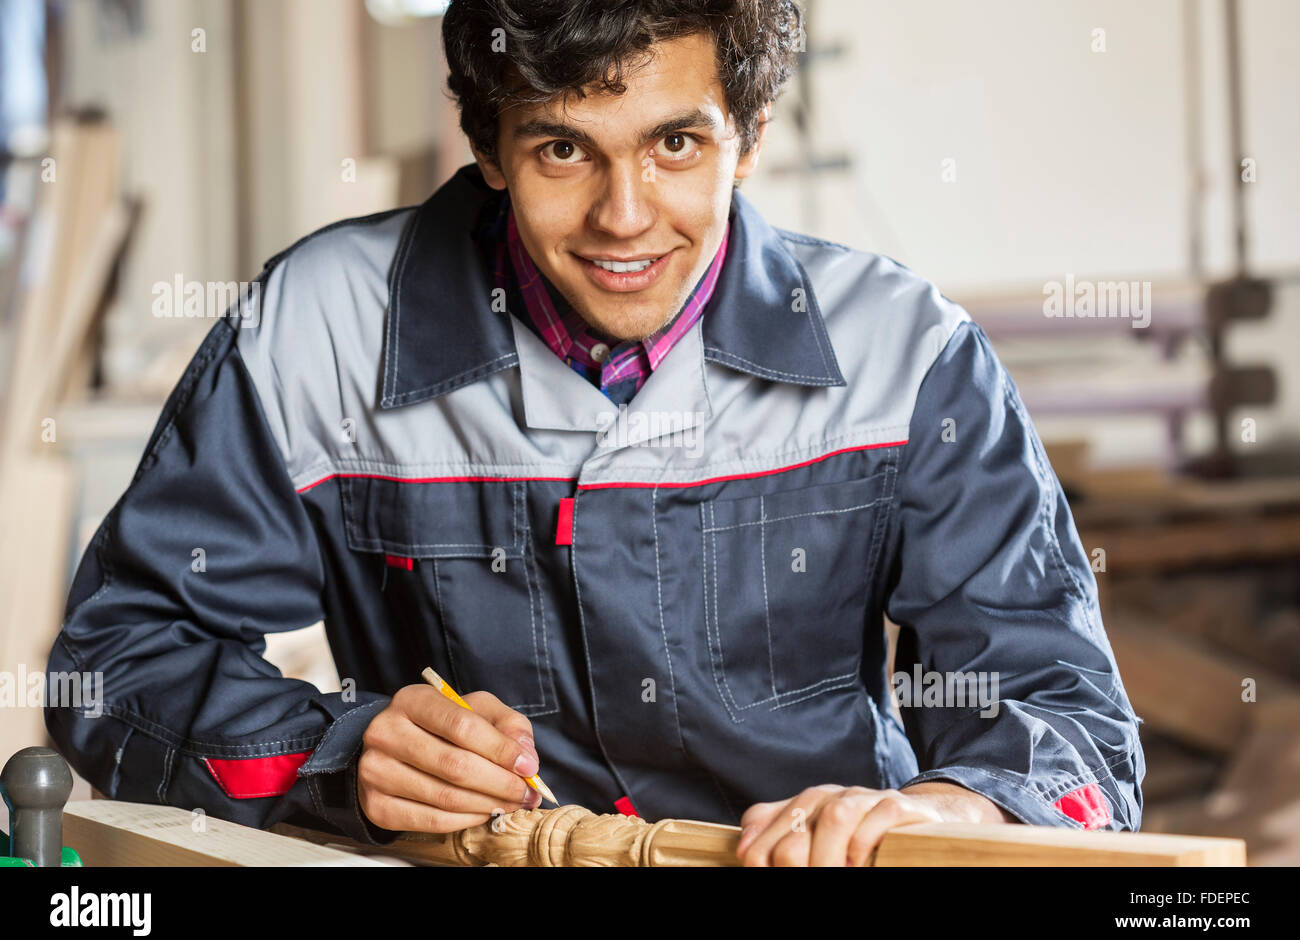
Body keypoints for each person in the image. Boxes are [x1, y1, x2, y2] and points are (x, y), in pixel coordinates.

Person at [45, 0, 1144, 867]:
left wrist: (962, 811)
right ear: (488, 144)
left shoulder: (906, 352)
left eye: (675, 142)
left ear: (749, 135)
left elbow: (1066, 716)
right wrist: (340, 751)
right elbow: (112, 664)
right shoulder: (317, 326)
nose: (625, 215)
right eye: (563, 149)